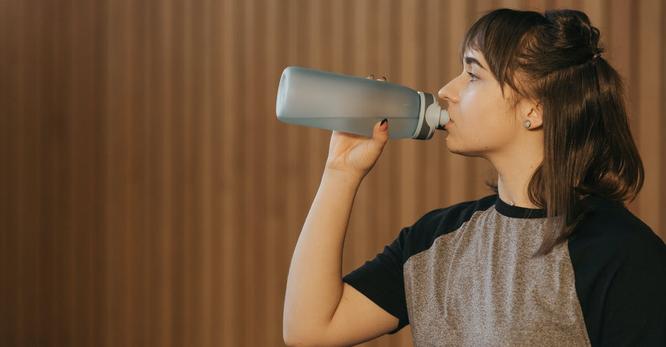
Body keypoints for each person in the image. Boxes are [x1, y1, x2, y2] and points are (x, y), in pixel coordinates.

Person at [283, 8, 666, 347]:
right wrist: (341, 172)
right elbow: (311, 330)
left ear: (535, 109)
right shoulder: (434, 241)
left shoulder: (620, 253)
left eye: (472, 75)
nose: (445, 92)